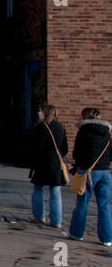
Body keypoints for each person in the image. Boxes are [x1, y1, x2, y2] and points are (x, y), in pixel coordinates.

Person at [66, 107, 112, 245]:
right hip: (105, 172)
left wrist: (79, 165)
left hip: (88, 171)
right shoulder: (106, 133)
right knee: (104, 206)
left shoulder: (83, 132)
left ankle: (77, 233)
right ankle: (107, 238)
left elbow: (77, 154)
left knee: (82, 203)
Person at [29, 104, 67, 228]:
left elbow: (36, 146)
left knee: (38, 189)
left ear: (45, 113)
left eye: (40, 111)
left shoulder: (41, 127)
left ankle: (39, 216)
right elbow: (65, 148)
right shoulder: (61, 127)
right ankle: (56, 221)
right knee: (55, 191)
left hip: (42, 162)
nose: (38, 113)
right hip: (56, 163)